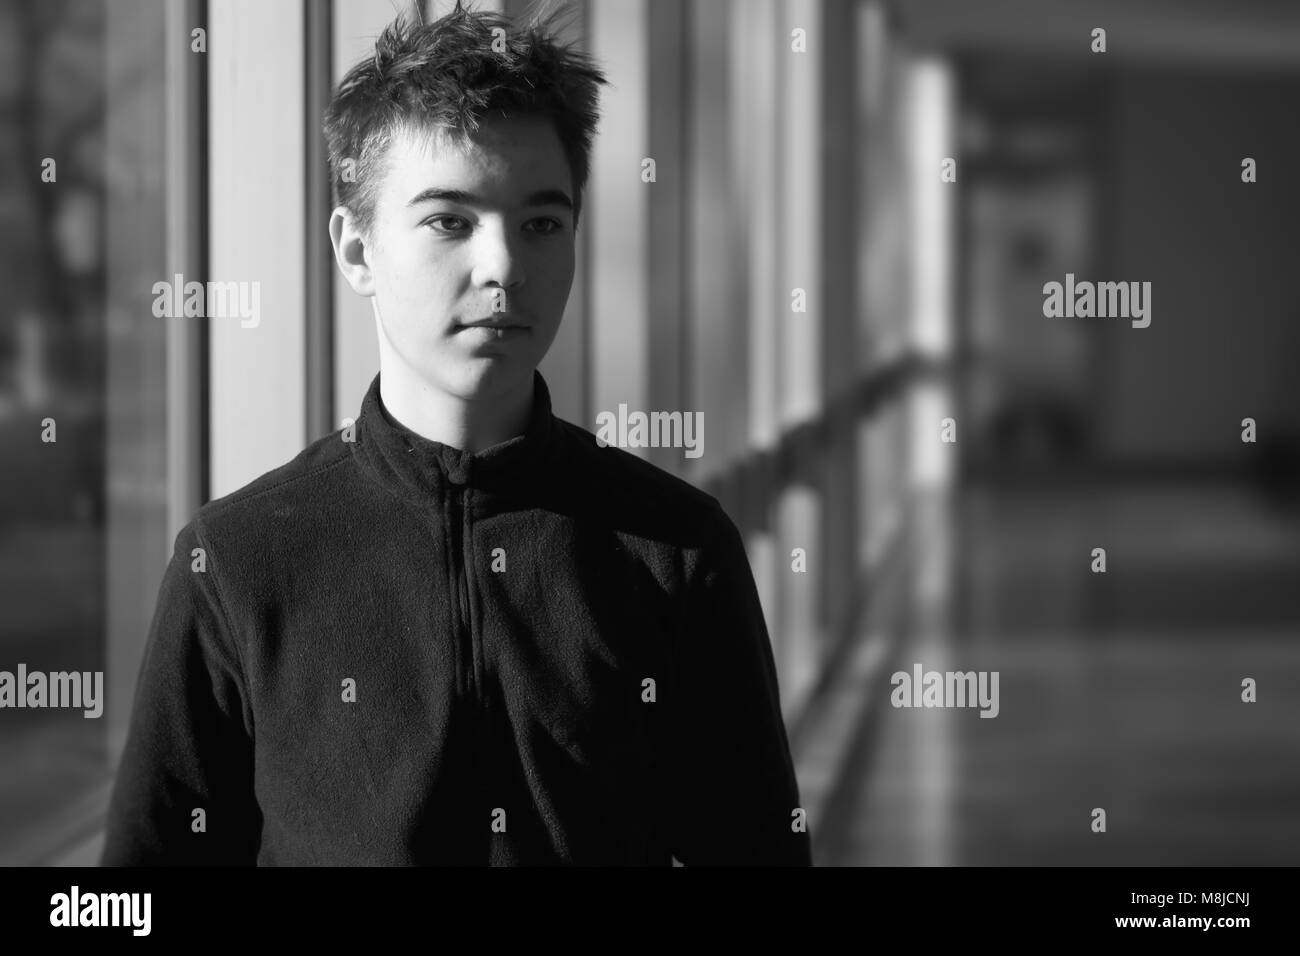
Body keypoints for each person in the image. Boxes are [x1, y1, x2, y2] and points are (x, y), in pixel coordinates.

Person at [101, 0, 810, 866]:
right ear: (356, 250)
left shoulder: (674, 551)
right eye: (449, 221)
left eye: (540, 223)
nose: (504, 266)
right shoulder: (238, 562)